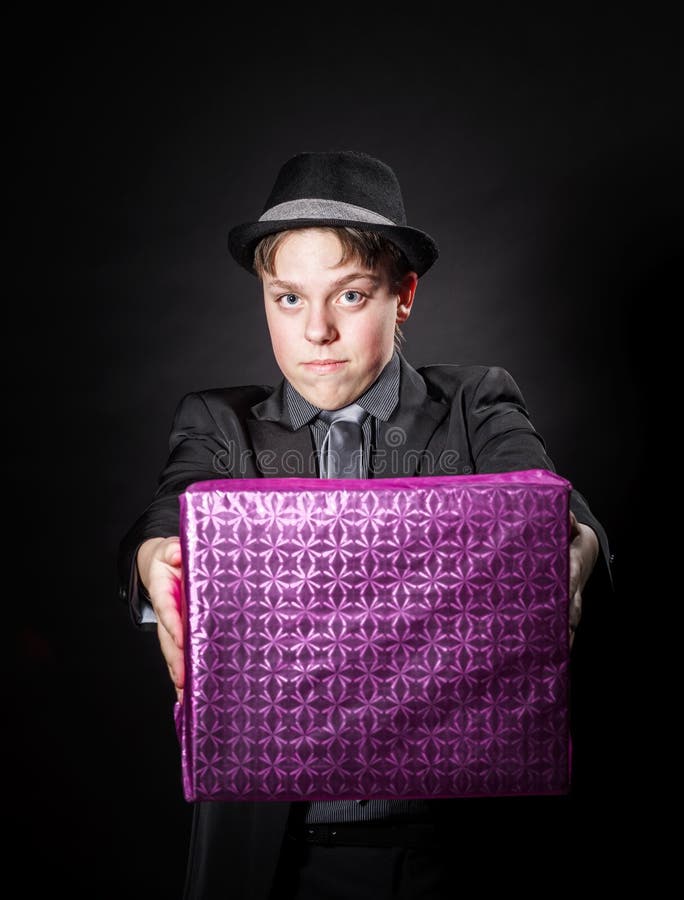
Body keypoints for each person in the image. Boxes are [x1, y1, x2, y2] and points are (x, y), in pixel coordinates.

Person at [118, 150, 613, 899]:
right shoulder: (221, 424)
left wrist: (573, 544)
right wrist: (157, 555)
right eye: (288, 299)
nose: (315, 330)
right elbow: (173, 506)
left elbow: (550, 499)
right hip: (274, 859)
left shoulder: (475, 406)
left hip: (455, 851)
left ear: (403, 295)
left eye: (349, 296)